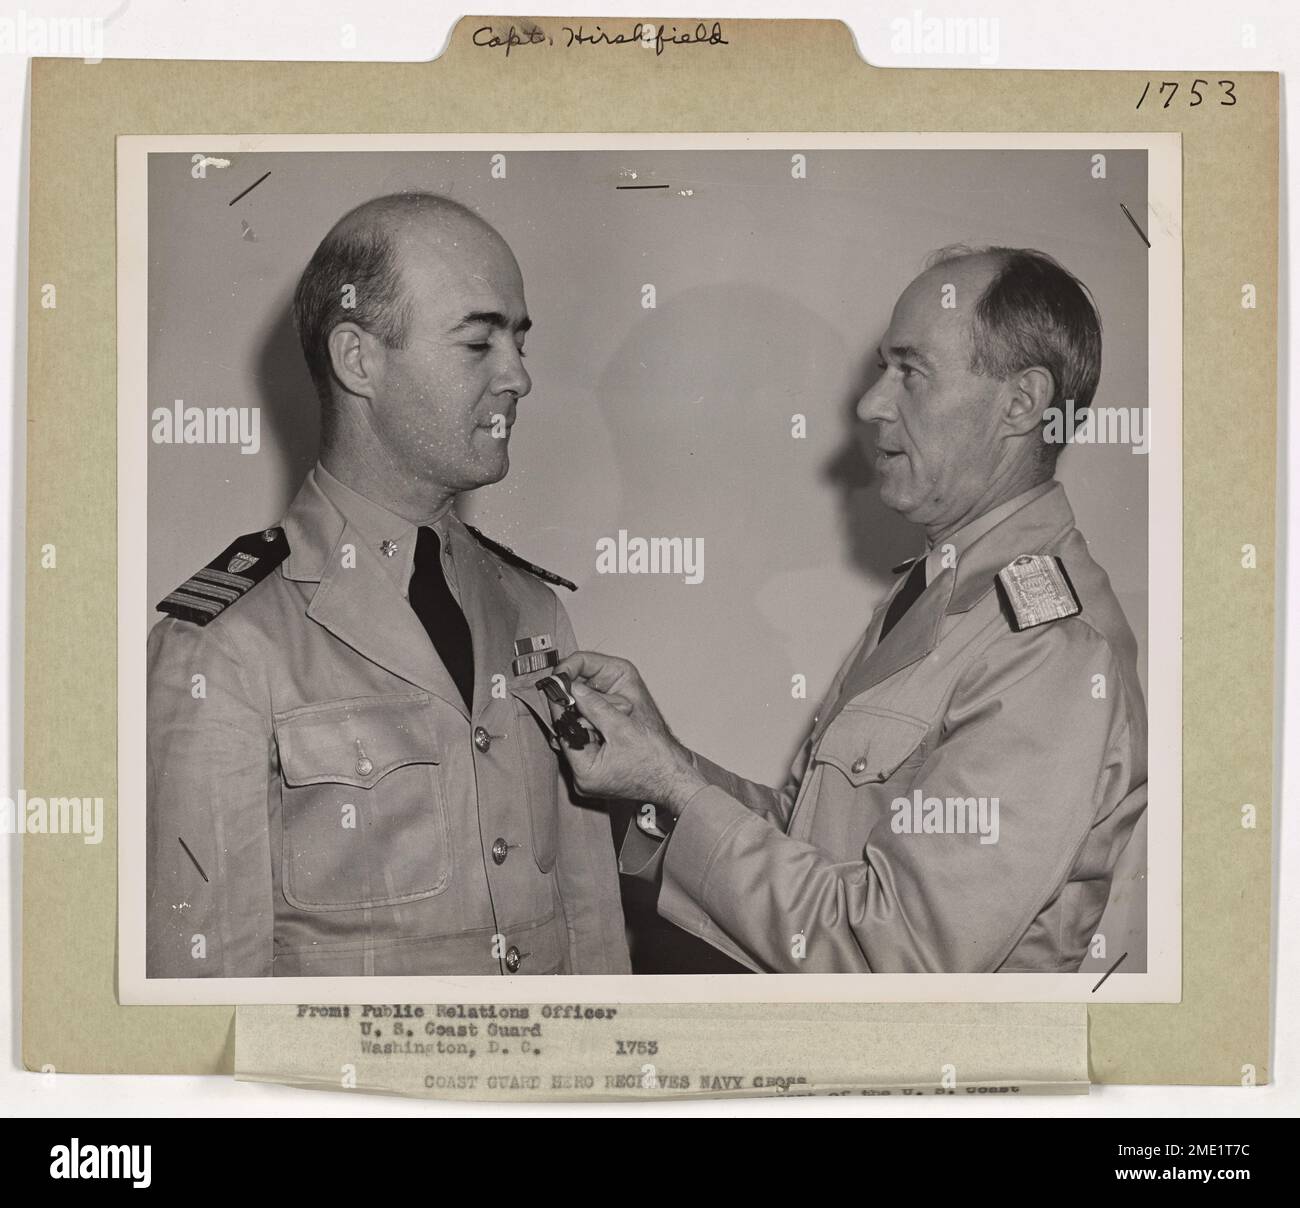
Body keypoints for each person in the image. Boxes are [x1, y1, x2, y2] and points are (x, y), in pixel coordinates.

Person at [556, 246, 1148, 974]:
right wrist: (663, 767)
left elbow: (898, 957)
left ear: (1020, 403)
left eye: (912, 372)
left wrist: (673, 791)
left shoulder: (1050, 647)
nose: (870, 404)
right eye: (882, 368)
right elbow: (812, 844)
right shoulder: (943, 591)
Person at [146, 192, 630, 978]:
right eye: (479, 344)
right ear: (358, 360)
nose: (519, 377)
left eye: (518, 341)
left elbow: (592, 934)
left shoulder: (532, 609)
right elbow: (207, 995)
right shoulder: (224, 644)